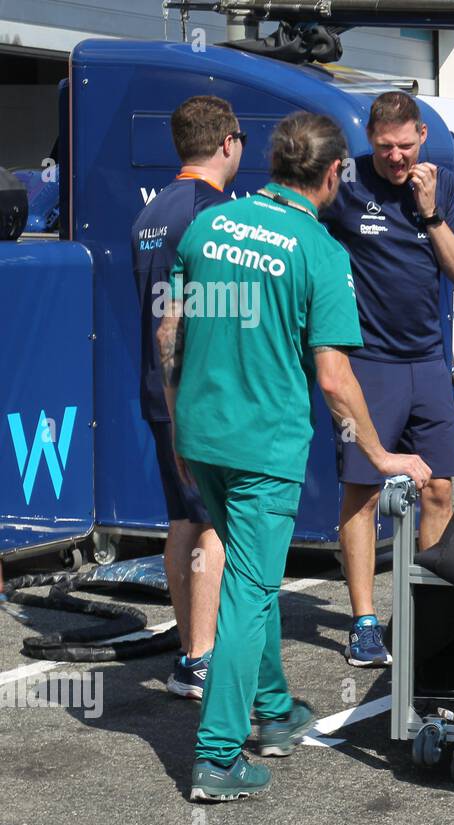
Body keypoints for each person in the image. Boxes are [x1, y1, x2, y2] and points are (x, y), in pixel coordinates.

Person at [163, 112, 433, 801]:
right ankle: (218, 756)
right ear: (334, 173)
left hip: (202, 434)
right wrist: (381, 454)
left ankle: (276, 711)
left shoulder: (210, 224)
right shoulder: (317, 250)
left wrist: (176, 432)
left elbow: (171, 335)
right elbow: (337, 378)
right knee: (250, 594)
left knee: (248, 576)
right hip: (263, 444)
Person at [319, 91, 454, 667]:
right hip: (369, 363)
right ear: (370, 139)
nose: (396, 158)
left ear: (422, 138)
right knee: (361, 493)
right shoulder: (347, 181)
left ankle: (424, 613)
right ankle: (363, 623)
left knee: (437, 489)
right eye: (385, 147)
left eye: (405, 146)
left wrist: (431, 210)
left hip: (427, 360)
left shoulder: (441, 183)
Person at [131, 95, 241, 700]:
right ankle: (198, 658)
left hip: (159, 385)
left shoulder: (150, 210)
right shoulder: (211, 212)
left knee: (184, 518)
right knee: (210, 525)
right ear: (228, 143)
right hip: (195, 390)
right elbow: (185, 318)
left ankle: (190, 651)